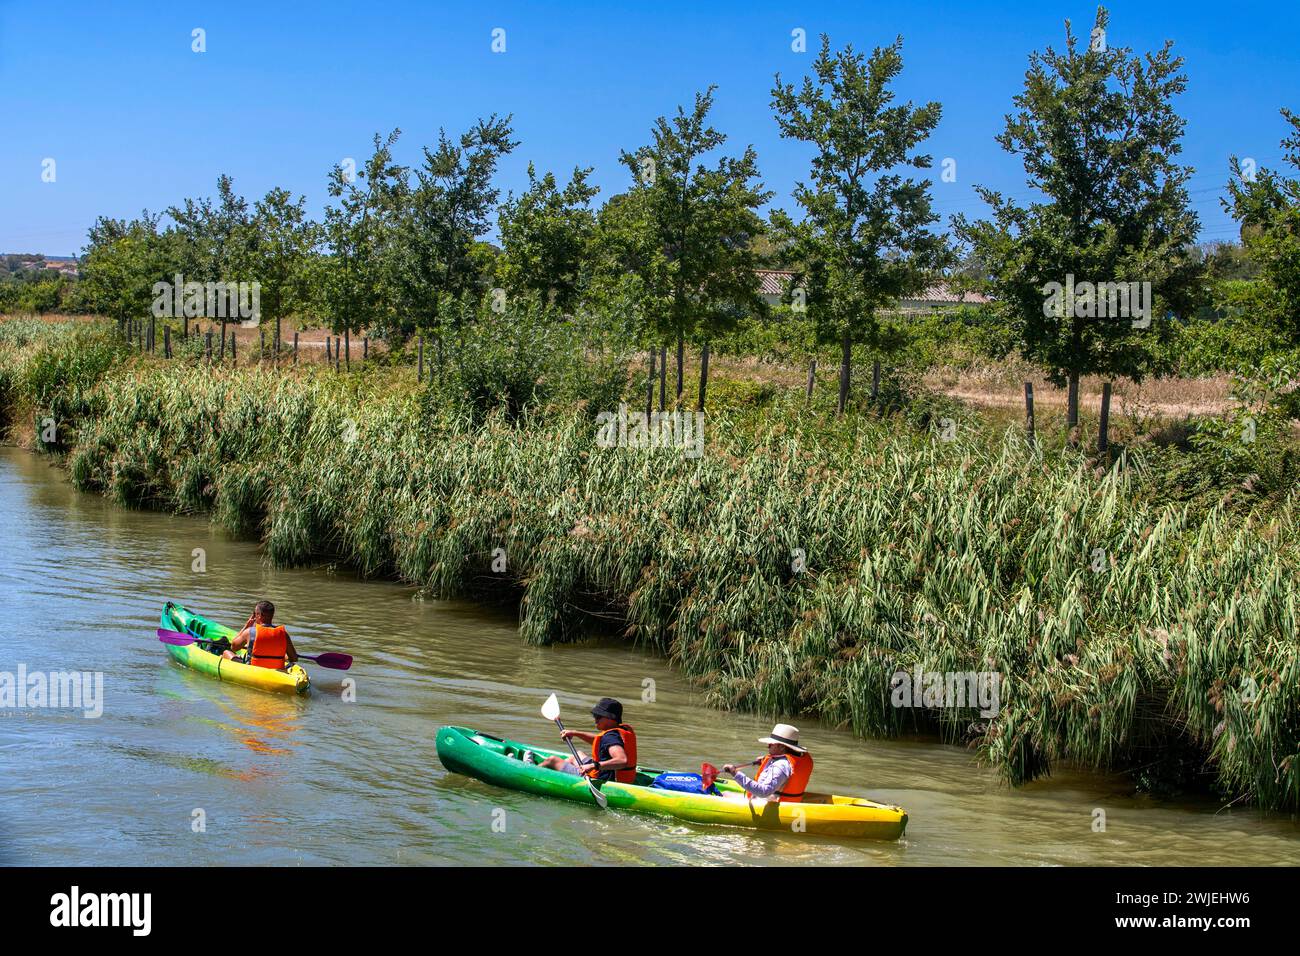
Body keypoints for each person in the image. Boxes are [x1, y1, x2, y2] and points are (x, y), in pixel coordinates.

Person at [533, 698, 638, 783]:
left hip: (602, 779)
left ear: (611, 718)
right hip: (623, 777)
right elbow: (600, 742)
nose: (595, 719)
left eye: (598, 716)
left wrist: (593, 765)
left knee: (552, 760)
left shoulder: (611, 737)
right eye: (594, 715)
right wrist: (575, 733)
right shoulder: (618, 731)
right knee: (576, 755)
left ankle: (532, 771)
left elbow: (622, 760)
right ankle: (557, 775)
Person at [722, 723, 814, 803]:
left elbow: (763, 792)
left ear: (782, 747)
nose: (768, 746)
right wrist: (764, 761)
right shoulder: (788, 760)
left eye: (771, 744)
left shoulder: (780, 766)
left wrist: (735, 774)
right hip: (786, 801)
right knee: (726, 793)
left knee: (724, 794)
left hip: (768, 802)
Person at [223, 600, 299, 670]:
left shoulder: (249, 632)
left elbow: (233, 647)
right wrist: (283, 656)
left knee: (226, 652)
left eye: (255, 614)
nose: (254, 617)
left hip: (254, 670)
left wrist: (247, 626)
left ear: (259, 615)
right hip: (276, 671)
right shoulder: (283, 634)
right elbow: (294, 658)